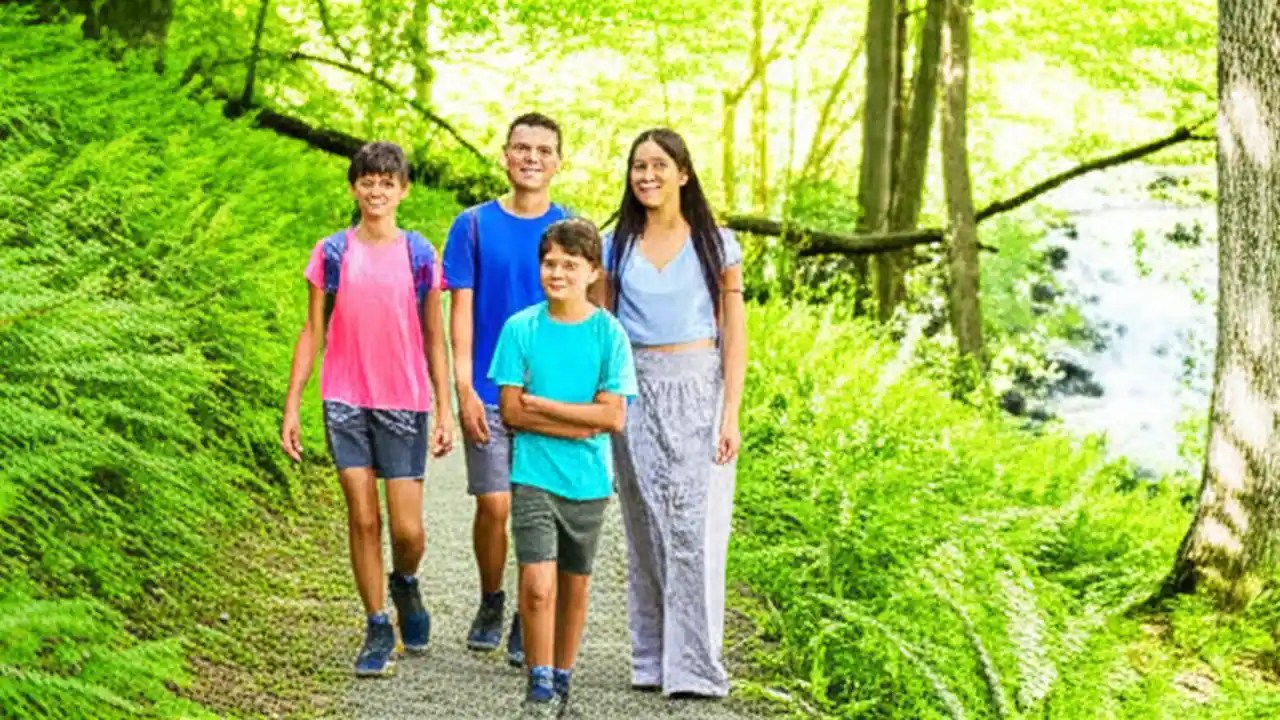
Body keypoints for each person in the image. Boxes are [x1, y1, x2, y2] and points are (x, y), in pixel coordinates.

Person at [280, 141, 454, 677]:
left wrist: (444, 409)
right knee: (362, 515)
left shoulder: (420, 254)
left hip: (403, 398)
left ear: (403, 190)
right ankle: (377, 624)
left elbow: (434, 334)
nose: (376, 190)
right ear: (355, 187)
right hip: (345, 397)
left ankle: (405, 584)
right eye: (367, 181)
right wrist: (292, 404)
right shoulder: (332, 252)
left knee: (408, 531)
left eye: (387, 182)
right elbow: (313, 329)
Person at [603, 128, 748, 698]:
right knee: (645, 526)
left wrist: (730, 411)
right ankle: (652, 659)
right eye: (639, 166)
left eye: (660, 165)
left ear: (684, 174)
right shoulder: (616, 244)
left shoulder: (717, 244)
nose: (648, 176)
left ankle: (696, 664)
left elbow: (734, 333)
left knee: (692, 523)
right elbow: (604, 329)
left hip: (698, 385)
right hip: (636, 388)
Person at [488, 218, 637, 717]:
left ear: (593, 271)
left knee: (575, 584)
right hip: (533, 475)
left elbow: (612, 416)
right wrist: (578, 422)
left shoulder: (608, 333)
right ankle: (539, 682)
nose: (558, 273)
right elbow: (510, 410)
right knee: (537, 585)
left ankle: (565, 676)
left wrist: (545, 409)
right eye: (550, 263)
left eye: (570, 265)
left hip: (589, 483)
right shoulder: (521, 328)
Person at [442, 113, 573, 666]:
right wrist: (464, 387)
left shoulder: (572, 229)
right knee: (495, 505)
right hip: (492, 393)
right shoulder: (472, 226)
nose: (532, 158)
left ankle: (529, 610)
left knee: (537, 509)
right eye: (522, 148)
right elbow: (461, 311)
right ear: (504, 154)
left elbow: (586, 314)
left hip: (550, 399)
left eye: (544, 150)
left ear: (559, 162)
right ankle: (493, 598)